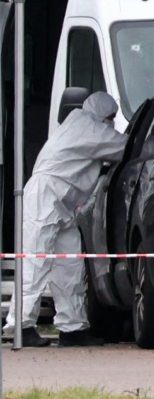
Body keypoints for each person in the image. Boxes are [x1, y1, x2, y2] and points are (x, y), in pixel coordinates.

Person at [5, 92, 127, 347]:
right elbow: (124, 147)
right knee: (35, 263)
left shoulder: (78, 123)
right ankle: (19, 326)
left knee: (69, 267)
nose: (112, 122)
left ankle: (72, 328)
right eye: (112, 117)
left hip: (62, 204)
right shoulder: (90, 128)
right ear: (104, 114)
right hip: (46, 199)